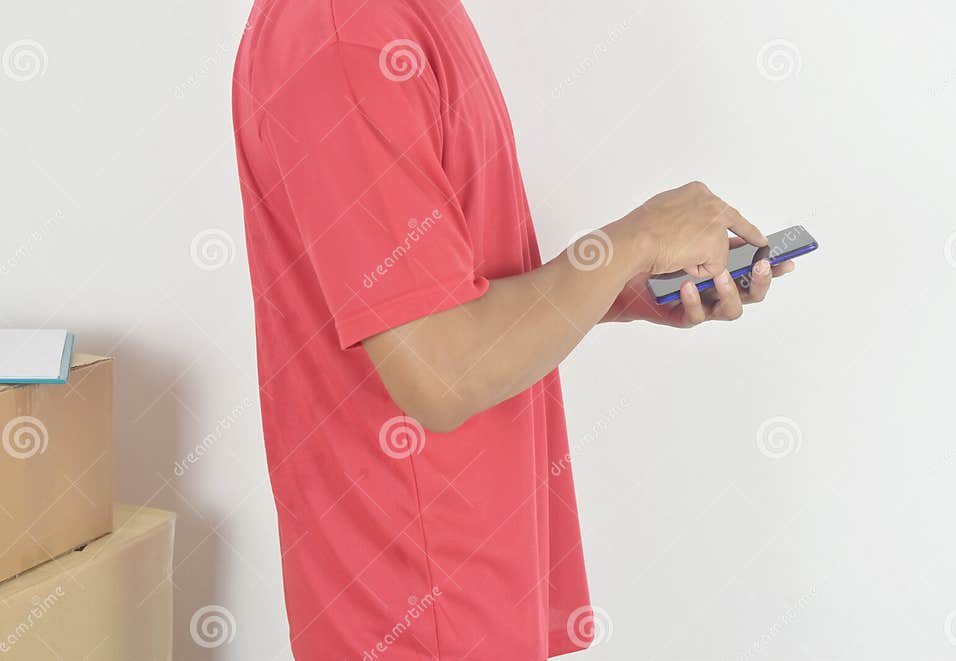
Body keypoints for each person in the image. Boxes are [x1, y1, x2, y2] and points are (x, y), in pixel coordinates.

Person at [231, 0, 794, 659]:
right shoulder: (346, 32)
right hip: (413, 607)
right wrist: (638, 237)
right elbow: (442, 372)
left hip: (464, 582)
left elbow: (445, 298)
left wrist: (610, 287)